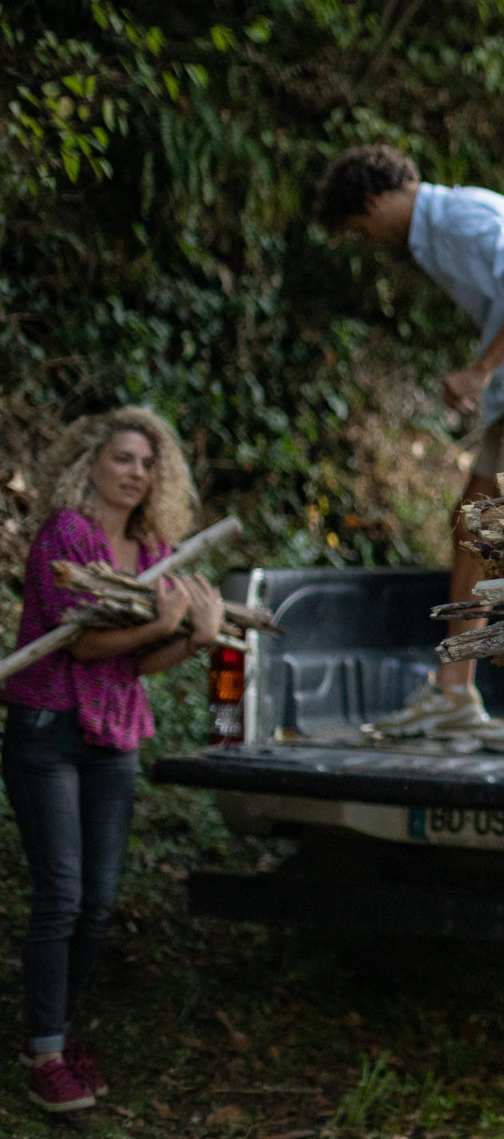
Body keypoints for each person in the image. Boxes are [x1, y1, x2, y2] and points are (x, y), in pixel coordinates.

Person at [314, 146, 504, 734]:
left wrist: (479, 371)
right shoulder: (442, 228)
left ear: (376, 201)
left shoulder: (462, 218)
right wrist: (489, 374)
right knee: (473, 525)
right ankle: (454, 693)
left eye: (362, 227)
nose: (369, 239)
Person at [3, 408, 223, 1114]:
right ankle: (44, 1051)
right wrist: (162, 622)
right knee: (61, 894)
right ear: (90, 461)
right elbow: (83, 645)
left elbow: (141, 664)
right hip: (49, 729)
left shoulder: (158, 551)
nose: (137, 472)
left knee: (96, 903)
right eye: (125, 457)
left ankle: (58, 1035)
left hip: (114, 735)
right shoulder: (68, 537)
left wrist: (195, 637)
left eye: (149, 462)